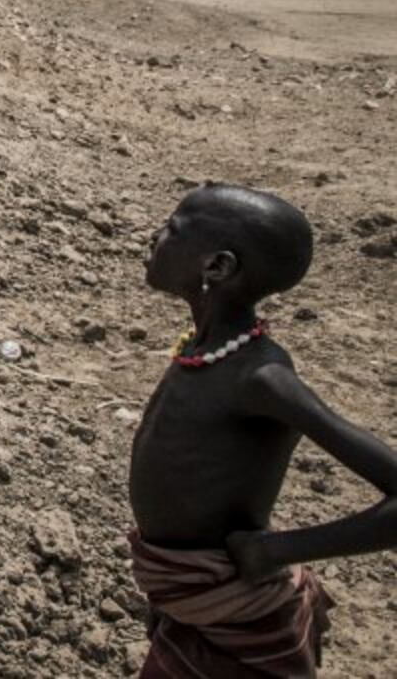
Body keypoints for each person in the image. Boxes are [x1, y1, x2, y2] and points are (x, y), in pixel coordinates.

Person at [129, 184, 397, 677]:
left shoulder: (261, 378)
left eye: (172, 229)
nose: (154, 236)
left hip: (238, 610)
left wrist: (278, 550)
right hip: (195, 602)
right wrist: (172, 600)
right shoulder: (201, 347)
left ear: (218, 267)